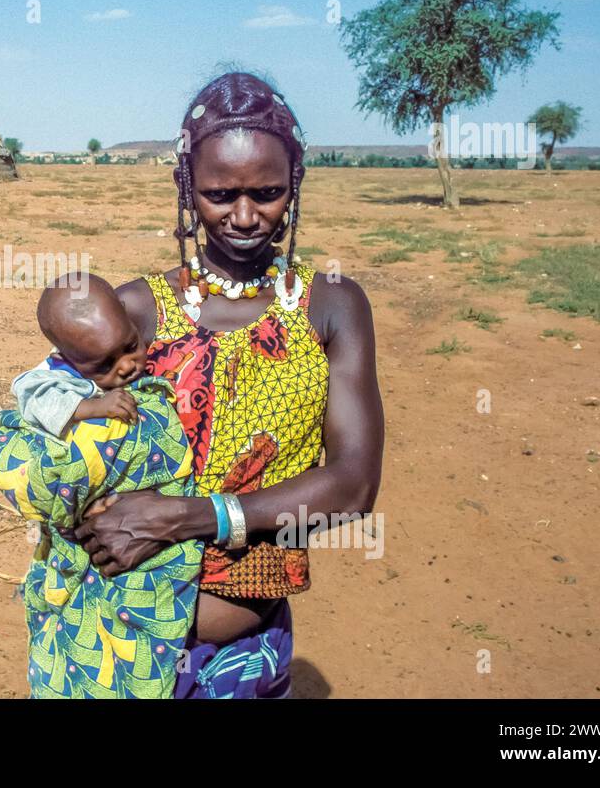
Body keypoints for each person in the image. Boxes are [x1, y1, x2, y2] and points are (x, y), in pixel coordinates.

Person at [73, 71, 385, 698]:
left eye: (267, 192)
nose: (245, 217)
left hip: (246, 652)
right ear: (187, 188)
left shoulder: (331, 306)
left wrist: (184, 518)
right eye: (220, 195)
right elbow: (58, 443)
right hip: (117, 640)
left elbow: (353, 485)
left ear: (294, 184)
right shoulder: (136, 309)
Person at [0, 274, 202, 697]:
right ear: (67, 358)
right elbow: (34, 405)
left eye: (129, 346)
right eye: (103, 365)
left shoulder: (131, 360)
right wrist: (93, 407)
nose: (126, 367)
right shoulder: (52, 379)